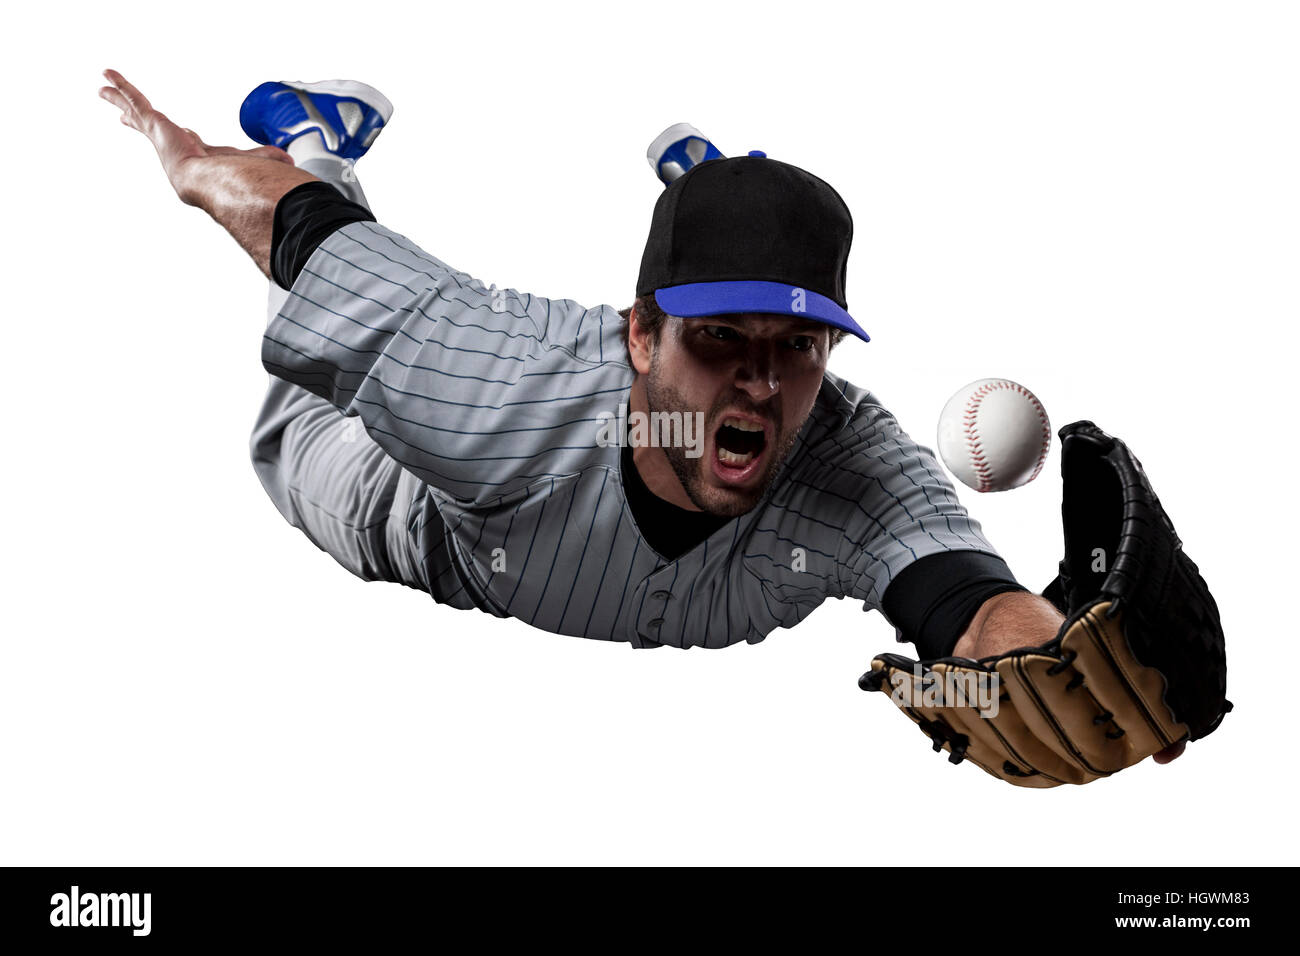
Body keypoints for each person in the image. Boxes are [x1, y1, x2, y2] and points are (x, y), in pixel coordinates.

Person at [99, 69, 1188, 766]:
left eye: (795, 343)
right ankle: (319, 128)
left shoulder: (851, 460)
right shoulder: (508, 390)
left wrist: (1045, 664)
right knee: (298, 423)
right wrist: (198, 163)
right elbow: (317, 242)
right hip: (409, 504)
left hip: (606, 444)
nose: (761, 381)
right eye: (720, 337)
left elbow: (972, 603)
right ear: (638, 335)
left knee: (731, 343)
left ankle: (713, 203)